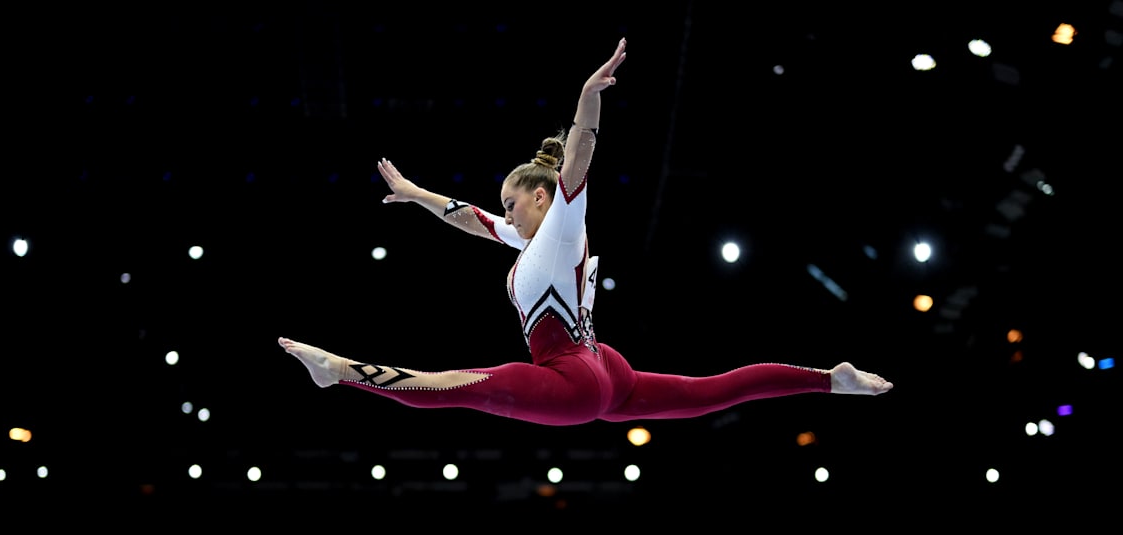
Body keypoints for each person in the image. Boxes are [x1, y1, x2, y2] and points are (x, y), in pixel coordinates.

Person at [279, 37, 892, 427]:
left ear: (540, 197)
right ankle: (829, 380)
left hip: (569, 379)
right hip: (604, 369)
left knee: (454, 387)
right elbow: (471, 220)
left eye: (513, 203)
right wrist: (417, 196)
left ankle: (339, 370)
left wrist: (586, 102)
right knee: (712, 392)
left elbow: (577, 159)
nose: (507, 215)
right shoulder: (534, 241)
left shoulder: (564, 223)